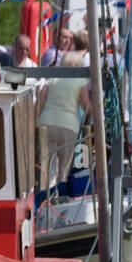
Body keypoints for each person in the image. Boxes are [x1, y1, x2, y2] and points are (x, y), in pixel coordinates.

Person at [38, 51, 90, 187]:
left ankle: (46, 197)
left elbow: (40, 102)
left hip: (46, 124)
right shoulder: (80, 80)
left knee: (48, 167)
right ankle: (59, 197)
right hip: (69, 126)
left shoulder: (53, 78)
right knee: (64, 168)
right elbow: (86, 105)